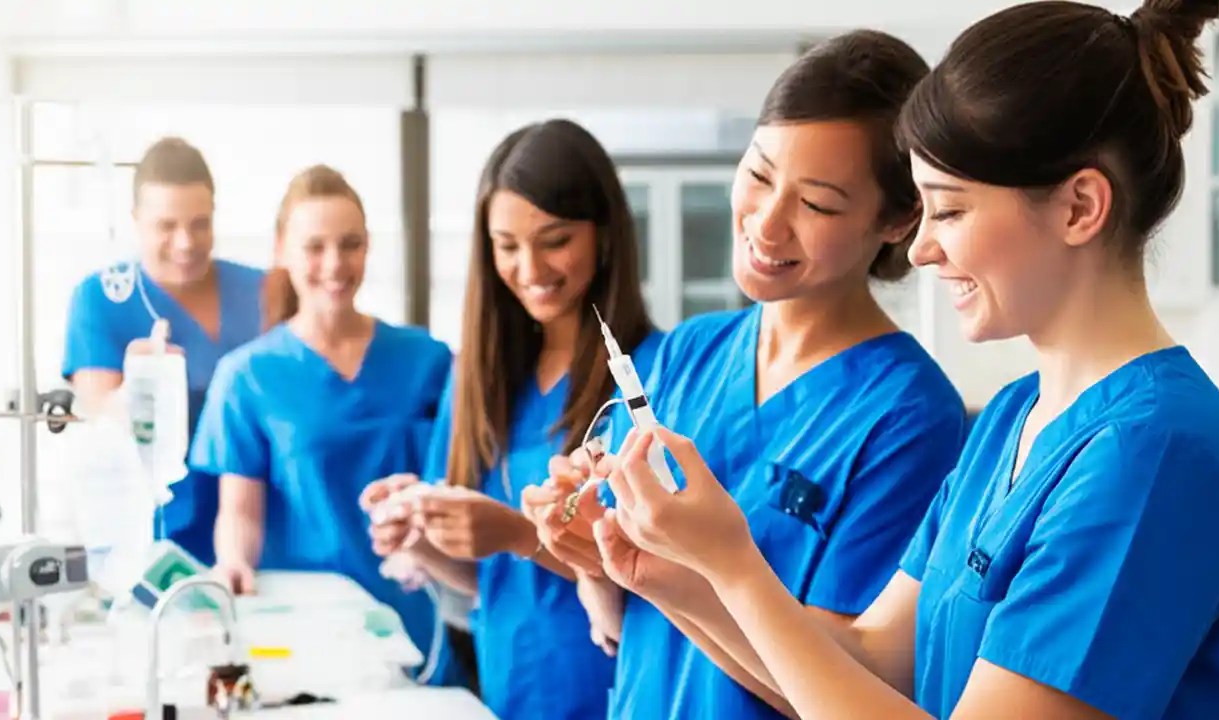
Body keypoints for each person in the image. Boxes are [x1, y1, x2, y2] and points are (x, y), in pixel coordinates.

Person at [593, 1, 1219, 718]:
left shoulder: (1155, 454)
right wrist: (673, 576)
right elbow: (874, 660)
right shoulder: (1010, 418)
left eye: (951, 210)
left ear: (1078, 207)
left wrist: (735, 566)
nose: (922, 248)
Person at [525, 31, 967, 720]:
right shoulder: (683, 354)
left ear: (897, 218)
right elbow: (620, 625)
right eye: (759, 174)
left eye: (816, 204)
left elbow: (851, 690)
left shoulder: (907, 415)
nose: (765, 223)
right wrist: (588, 554)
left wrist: (692, 574)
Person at [359, 119, 663, 720]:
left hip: (616, 692)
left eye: (554, 240)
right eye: (507, 245)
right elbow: (485, 581)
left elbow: (653, 581)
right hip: (509, 692)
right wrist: (424, 533)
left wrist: (520, 534)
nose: (530, 268)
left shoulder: (649, 377)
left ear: (603, 235)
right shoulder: (481, 380)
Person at [188, 165, 452, 672]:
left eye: (350, 244)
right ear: (281, 250)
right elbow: (241, 511)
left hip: (414, 618)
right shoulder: (248, 377)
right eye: (315, 247)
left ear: (368, 246)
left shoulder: (427, 360)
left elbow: (455, 483)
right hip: (304, 627)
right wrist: (233, 562)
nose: (335, 263)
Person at [63, 137, 264, 566]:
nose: (186, 242)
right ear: (137, 220)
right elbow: (100, 409)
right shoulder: (104, 298)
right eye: (166, 226)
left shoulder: (260, 291)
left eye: (200, 223)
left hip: (259, 523)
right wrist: (142, 386)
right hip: (155, 527)